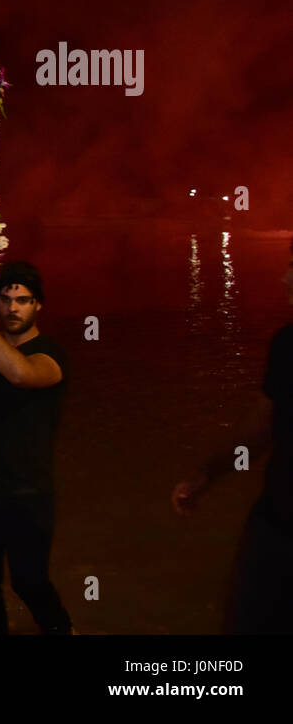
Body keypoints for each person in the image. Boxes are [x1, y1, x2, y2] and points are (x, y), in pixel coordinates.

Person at [173, 238, 293, 633]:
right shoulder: (287, 345)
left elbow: (259, 428)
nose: (285, 278)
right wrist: (209, 472)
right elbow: (261, 428)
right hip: (277, 520)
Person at [0, 261, 73, 634]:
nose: (12, 308)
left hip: (27, 493)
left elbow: (21, 373)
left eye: (22, 300)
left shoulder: (50, 355)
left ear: (39, 306)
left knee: (29, 581)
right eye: (5, 299)